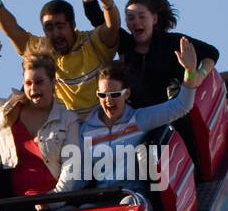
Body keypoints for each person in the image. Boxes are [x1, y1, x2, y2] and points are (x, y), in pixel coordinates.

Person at [77, 0, 220, 108]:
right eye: (130, 18)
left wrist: (199, 75)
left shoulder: (172, 42)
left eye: (142, 16)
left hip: (171, 115)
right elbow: (95, 16)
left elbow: (211, 52)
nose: (136, 22)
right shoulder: (125, 43)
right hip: (138, 118)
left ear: (154, 18)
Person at [0, 0, 121, 115]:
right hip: (68, 130)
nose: (56, 33)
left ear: (73, 25)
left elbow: (112, 27)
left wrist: (107, 3)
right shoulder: (43, 50)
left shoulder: (92, 42)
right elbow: (14, 32)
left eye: (60, 26)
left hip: (100, 125)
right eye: (49, 28)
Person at [66, 53, 203, 196]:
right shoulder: (86, 130)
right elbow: (80, 175)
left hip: (132, 198)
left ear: (126, 94)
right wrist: (56, 199)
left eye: (115, 95)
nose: (108, 100)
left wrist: (190, 72)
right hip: (101, 200)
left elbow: (181, 106)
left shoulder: (139, 119)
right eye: (102, 95)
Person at [0, 41, 79, 196]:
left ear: (53, 83)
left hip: (55, 205)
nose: (33, 88)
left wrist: (51, 201)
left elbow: (71, 169)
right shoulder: (10, 111)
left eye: (39, 82)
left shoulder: (68, 120)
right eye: (28, 83)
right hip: (16, 205)